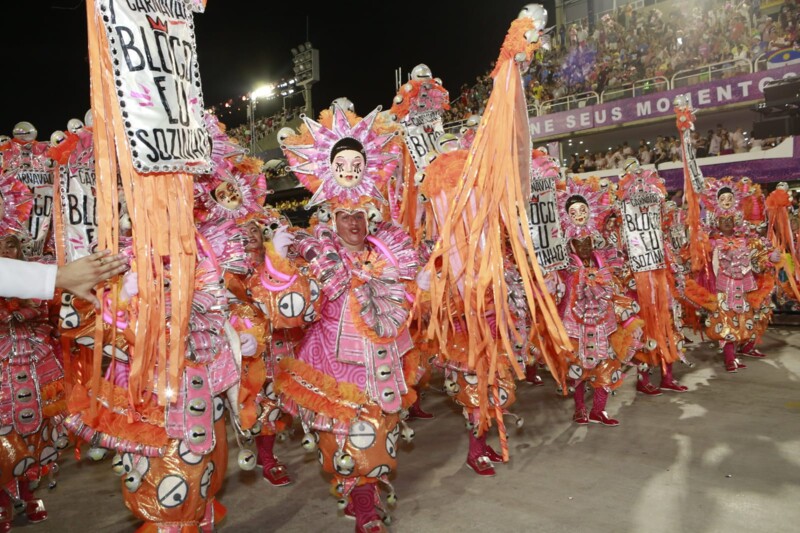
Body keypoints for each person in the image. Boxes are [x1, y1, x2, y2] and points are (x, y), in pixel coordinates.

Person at [276, 104, 418, 533]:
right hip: (333, 363)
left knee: (381, 431)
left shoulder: (389, 249)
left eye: (360, 216)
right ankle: (362, 507)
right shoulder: (316, 251)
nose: (354, 223)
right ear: (331, 218)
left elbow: (411, 294)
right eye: (344, 217)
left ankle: (368, 498)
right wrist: (279, 266)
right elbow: (293, 307)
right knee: (346, 438)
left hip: (383, 359)